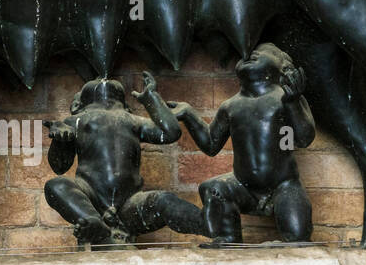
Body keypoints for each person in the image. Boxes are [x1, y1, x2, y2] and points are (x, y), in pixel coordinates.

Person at [173, 43, 315, 243]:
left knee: (299, 237)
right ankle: (228, 238)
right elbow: (211, 145)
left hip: (283, 186)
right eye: (246, 54)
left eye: (263, 51)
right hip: (243, 187)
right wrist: (188, 113)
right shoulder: (231, 106)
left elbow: (304, 138)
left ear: (283, 67)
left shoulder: (286, 98)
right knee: (213, 188)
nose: (250, 54)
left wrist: (293, 103)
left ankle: (288, 241)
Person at [45, 72, 207, 247]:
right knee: (56, 185)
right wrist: (60, 141)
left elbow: (170, 132)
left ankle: (212, 227)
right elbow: (59, 167)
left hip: (130, 204)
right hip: (91, 198)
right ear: (78, 104)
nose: (102, 79)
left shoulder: (132, 121)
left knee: (165, 201)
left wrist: (151, 97)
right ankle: (93, 222)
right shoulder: (75, 121)